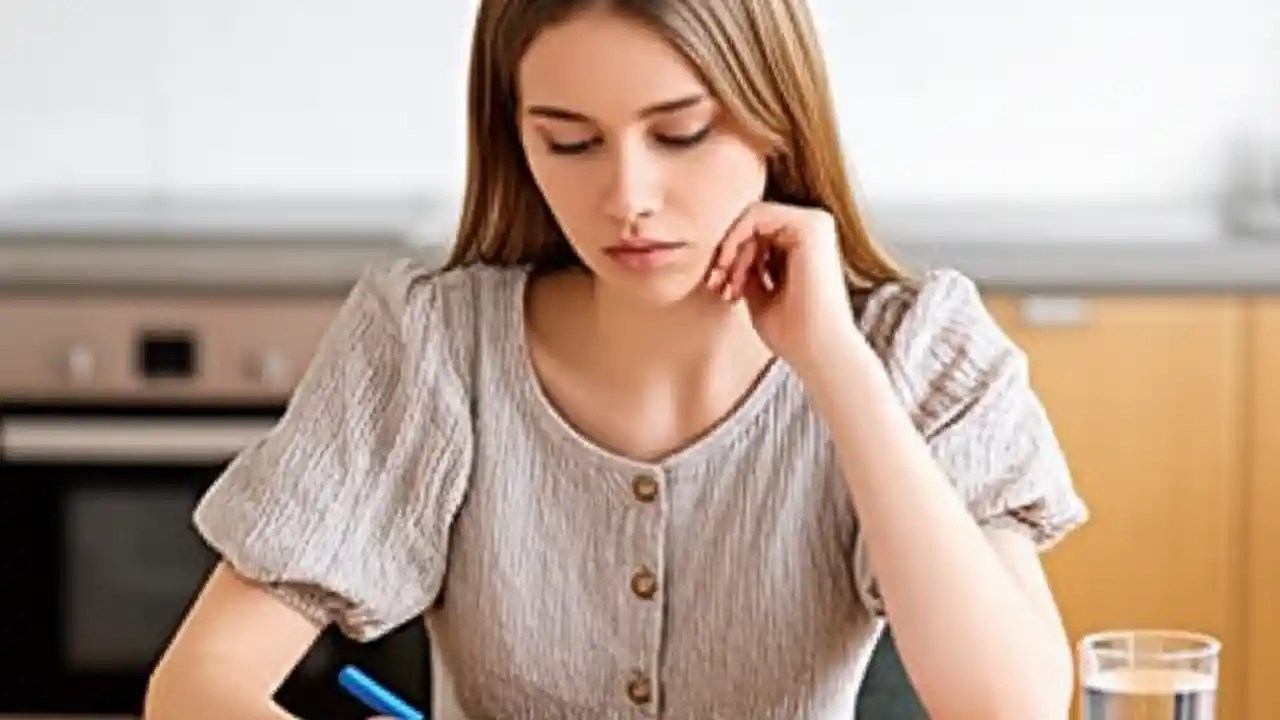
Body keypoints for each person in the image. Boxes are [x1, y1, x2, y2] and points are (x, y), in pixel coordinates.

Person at [144, 1, 1089, 718]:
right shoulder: (432, 344)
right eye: (571, 143)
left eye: (680, 134)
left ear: (776, 120)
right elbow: (199, 684)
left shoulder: (916, 348)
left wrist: (838, 368)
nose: (627, 196)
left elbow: (1010, 707)